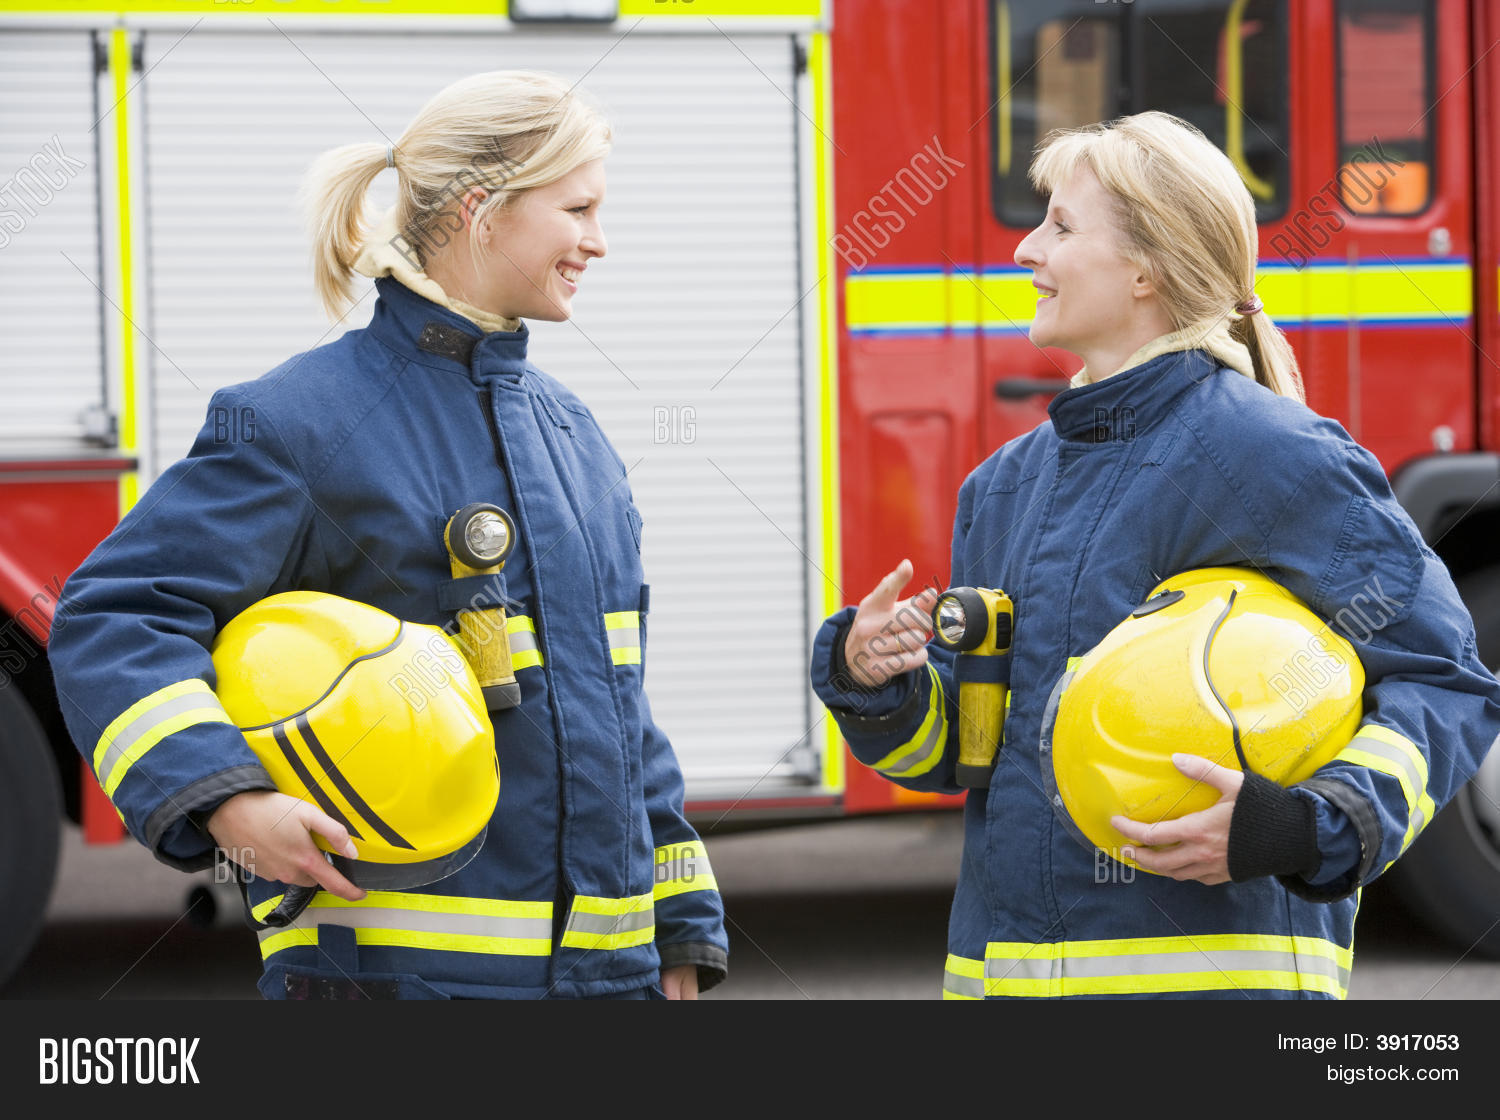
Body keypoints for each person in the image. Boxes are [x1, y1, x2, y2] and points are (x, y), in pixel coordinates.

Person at [48, 70, 728, 1000]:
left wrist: (681, 934)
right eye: (578, 208)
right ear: (485, 210)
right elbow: (116, 615)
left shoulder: (577, 441)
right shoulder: (303, 424)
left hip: (615, 991)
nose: (598, 242)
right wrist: (232, 802)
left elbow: (621, 706)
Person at [809, 111, 1500, 999]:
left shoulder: (1272, 455)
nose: (1025, 250)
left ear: (1147, 267)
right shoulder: (1003, 488)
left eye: (1059, 226)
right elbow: (973, 754)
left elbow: (1444, 677)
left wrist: (1305, 825)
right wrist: (881, 684)